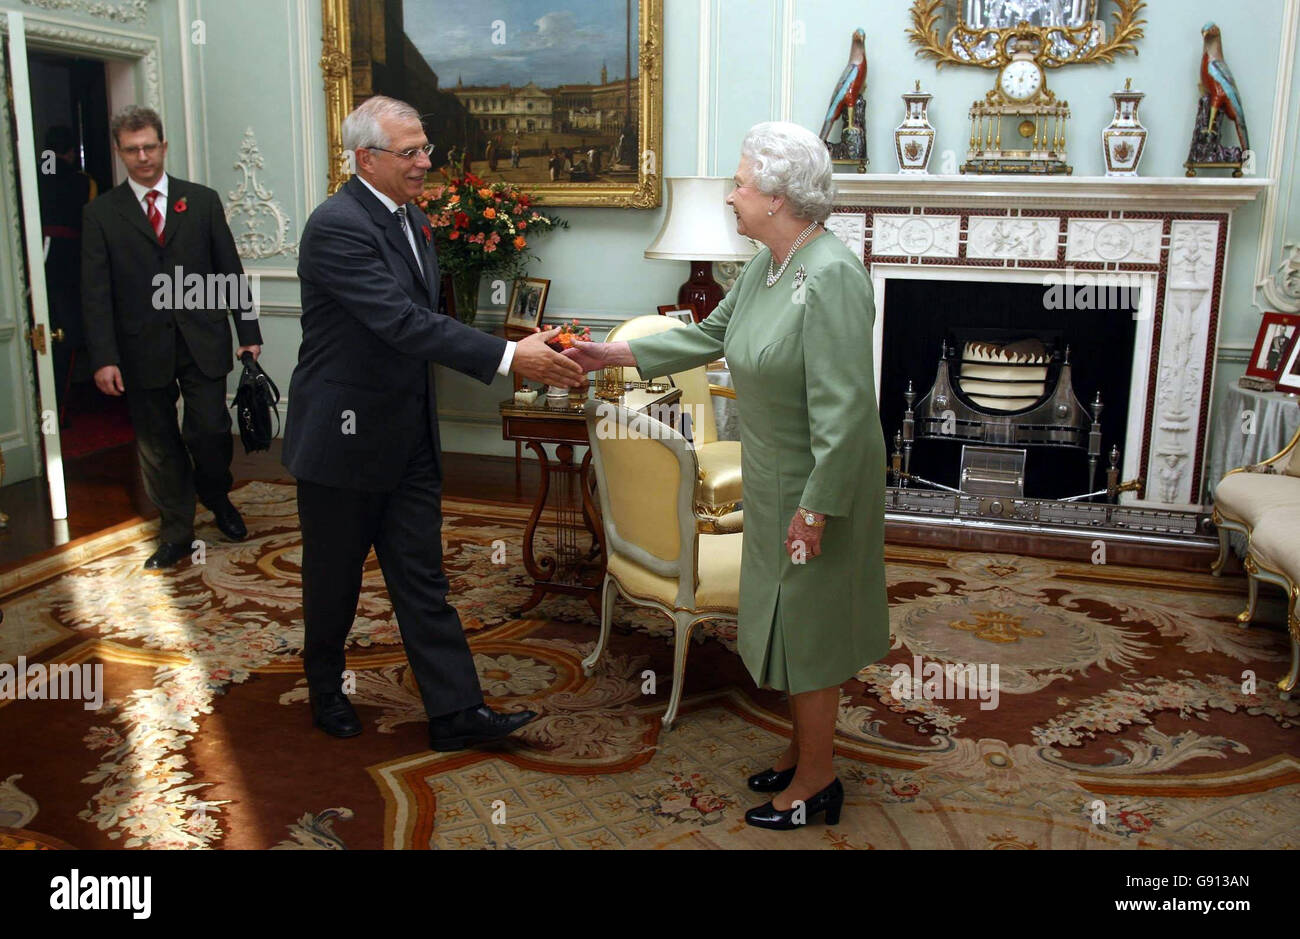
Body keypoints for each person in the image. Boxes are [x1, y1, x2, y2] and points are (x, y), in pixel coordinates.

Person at [563, 121, 889, 830]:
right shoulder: (765, 267)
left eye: (741, 182)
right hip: (772, 475)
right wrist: (606, 355)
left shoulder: (830, 274)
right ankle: (807, 751)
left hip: (820, 484)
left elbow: (847, 409)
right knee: (784, 614)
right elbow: (708, 337)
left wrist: (818, 508)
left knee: (814, 627)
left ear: (777, 197)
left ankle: (818, 780)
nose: (732, 195)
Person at [284, 95, 583, 749]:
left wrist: (523, 340)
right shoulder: (336, 225)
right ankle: (326, 689)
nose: (427, 161)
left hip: (409, 434)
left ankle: (455, 712)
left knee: (422, 577)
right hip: (343, 438)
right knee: (332, 579)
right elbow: (400, 321)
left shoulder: (413, 221)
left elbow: (431, 320)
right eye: (411, 151)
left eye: (426, 148)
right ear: (366, 158)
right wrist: (509, 357)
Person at [82, 106, 262, 570]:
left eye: (149, 146)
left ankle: (216, 494)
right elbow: (95, 293)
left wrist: (248, 331)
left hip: (202, 339)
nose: (142, 156)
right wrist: (104, 358)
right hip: (139, 349)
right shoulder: (101, 213)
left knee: (209, 430)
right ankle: (177, 531)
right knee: (157, 443)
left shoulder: (201, 201)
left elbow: (229, 270)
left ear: (163, 146)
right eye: (131, 149)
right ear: (120, 153)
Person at [38, 125, 97, 419]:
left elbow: (47, 170)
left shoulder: (43, 172)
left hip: (45, 257)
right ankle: (56, 406)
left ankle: (51, 404)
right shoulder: (79, 181)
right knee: (64, 332)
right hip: (67, 260)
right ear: (72, 152)